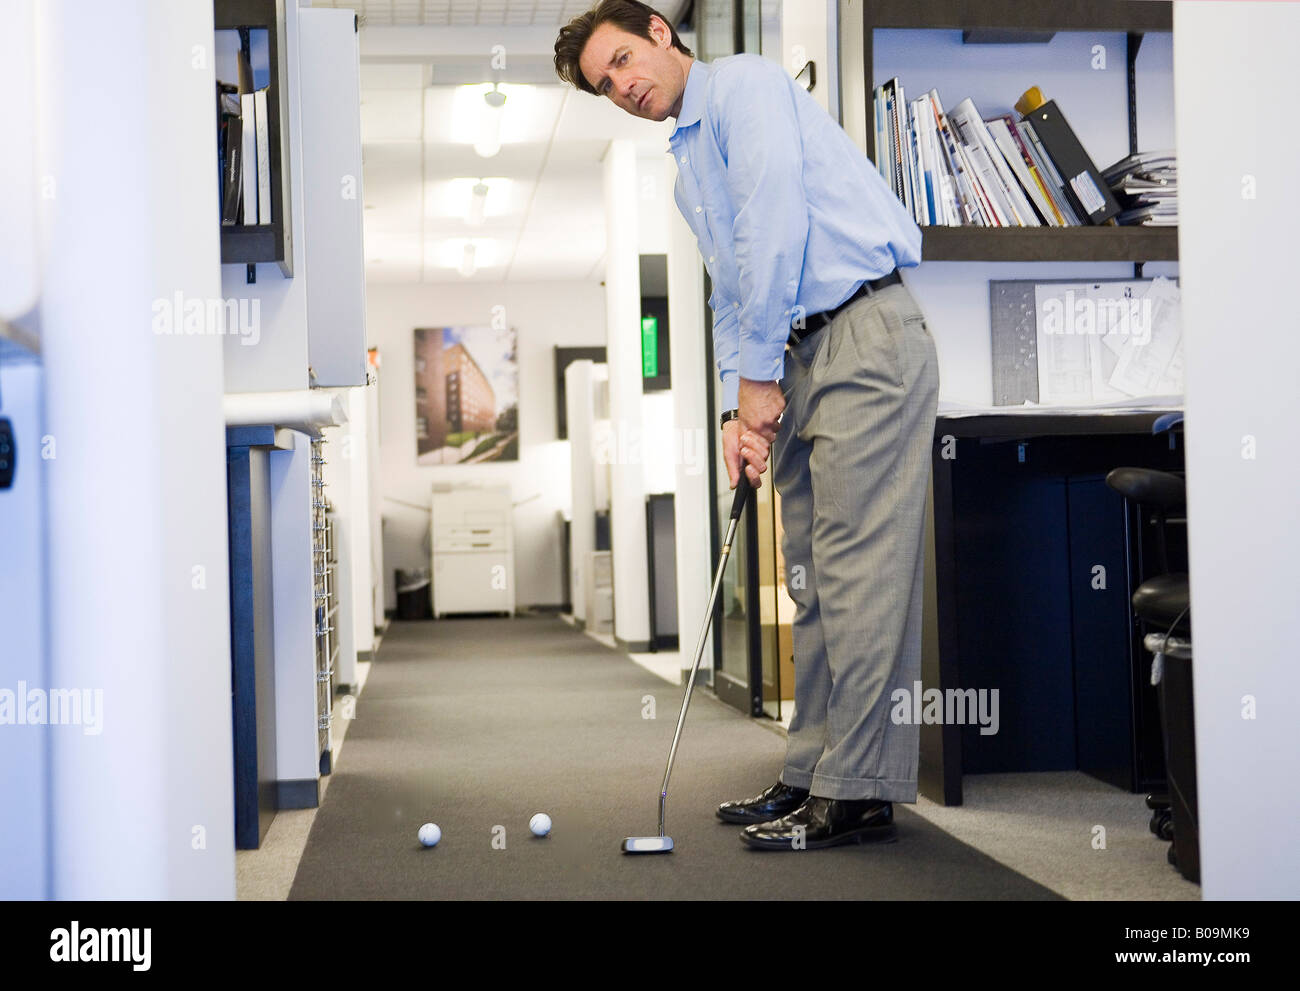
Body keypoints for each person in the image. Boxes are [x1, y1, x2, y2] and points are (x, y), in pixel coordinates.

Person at [554, 0, 939, 850]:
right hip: (799, 357)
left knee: (857, 575)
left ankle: (859, 789)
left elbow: (775, 233)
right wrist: (741, 407)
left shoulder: (747, 89)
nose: (621, 87)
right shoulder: (687, 165)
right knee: (811, 574)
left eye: (622, 61)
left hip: (865, 335)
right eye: (603, 85)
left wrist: (762, 377)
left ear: (660, 30)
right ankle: (809, 770)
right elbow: (731, 293)